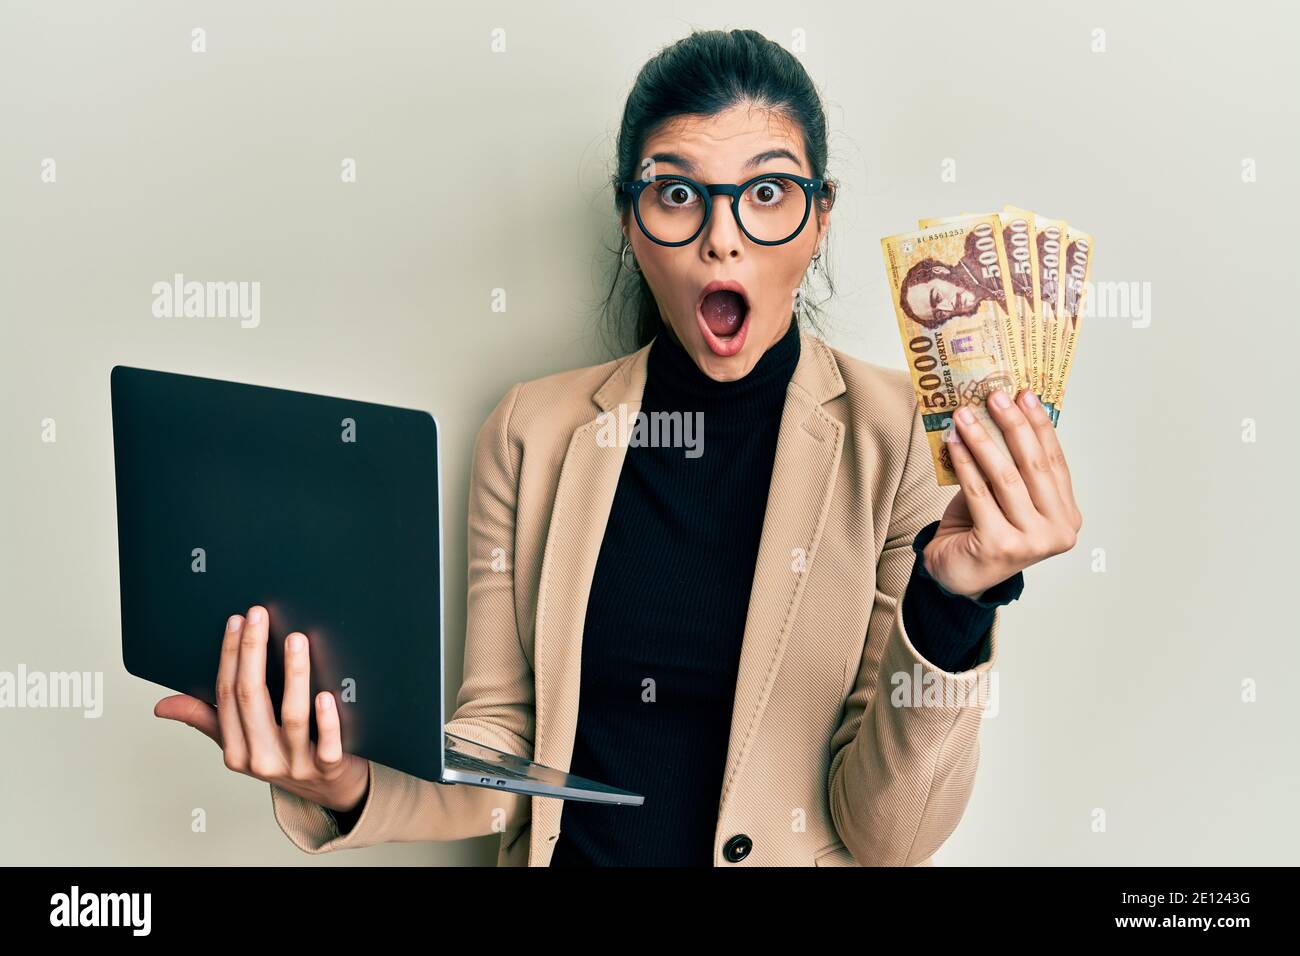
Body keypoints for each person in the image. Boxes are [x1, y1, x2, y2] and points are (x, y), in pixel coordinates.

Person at [155, 28, 1081, 866]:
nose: (723, 240)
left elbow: (891, 836)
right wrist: (345, 785)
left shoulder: (899, 440)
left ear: (820, 219)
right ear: (633, 221)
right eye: (678, 194)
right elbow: (504, 750)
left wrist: (954, 602)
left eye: (767, 193)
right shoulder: (532, 431)